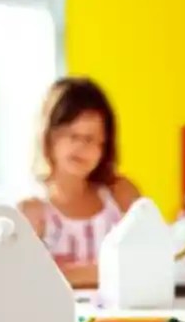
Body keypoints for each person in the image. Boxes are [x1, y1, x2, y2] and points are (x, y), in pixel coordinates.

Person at [18, 77, 142, 288]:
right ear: (48, 135)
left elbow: (148, 262)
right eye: (72, 135)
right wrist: (105, 272)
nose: (81, 147)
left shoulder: (121, 195)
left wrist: (67, 274)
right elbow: (20, 282)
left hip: (121, 319)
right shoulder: (33, 211)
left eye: (92, 139)